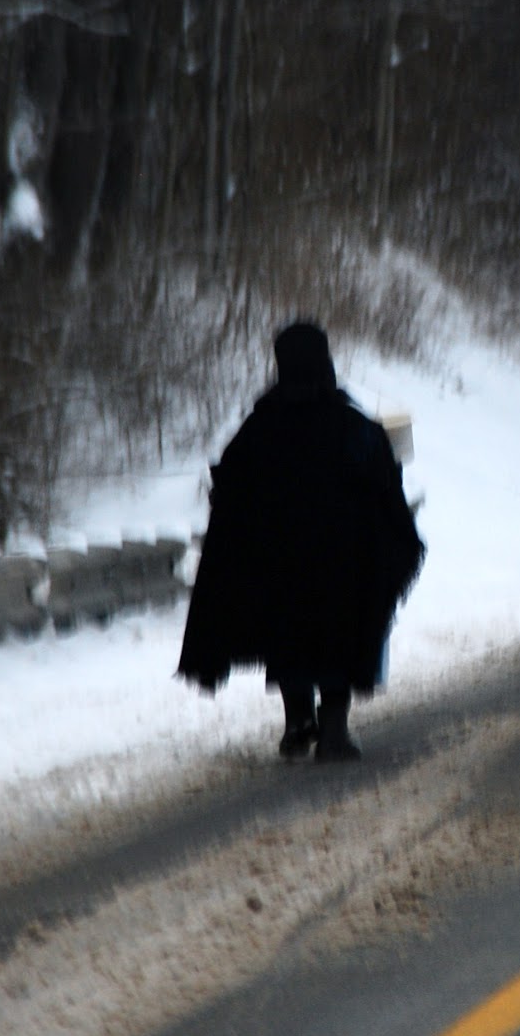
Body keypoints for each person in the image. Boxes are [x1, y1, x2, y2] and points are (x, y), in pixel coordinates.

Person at [177, 321, 425, 761]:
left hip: (278, 570)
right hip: (342, 570)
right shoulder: (354, 428)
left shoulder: (258, 429)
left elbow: (228, 491)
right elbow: (385, 490)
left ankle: (297, 723)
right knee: (340, 642)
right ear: (325, 362)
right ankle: (333, 732)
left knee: (287, 637)